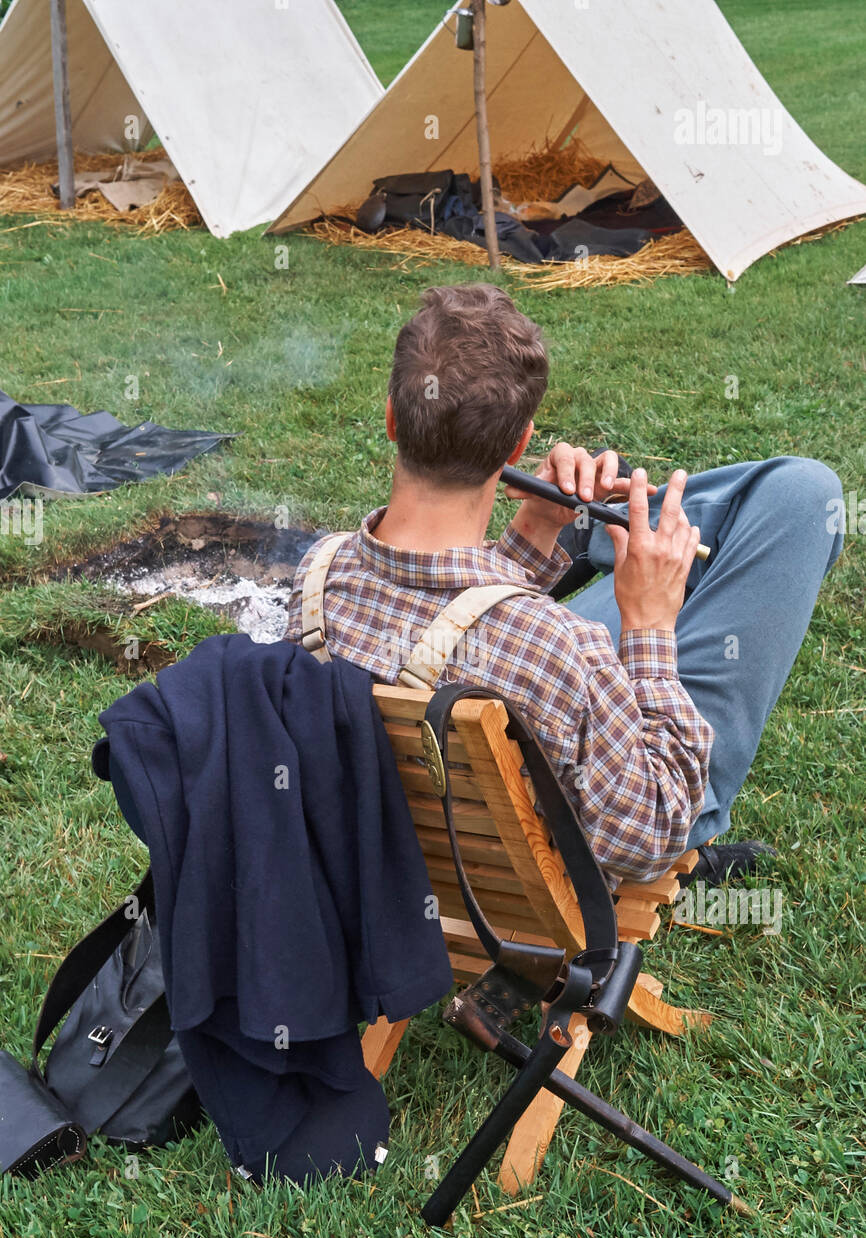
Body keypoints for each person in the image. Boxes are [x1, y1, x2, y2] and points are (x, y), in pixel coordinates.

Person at [285, 284, 843, 887]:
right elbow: (647, 838)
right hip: (536, 878)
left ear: (393, 416)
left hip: (412, 854)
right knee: (804, 499)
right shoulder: (564, 651)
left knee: (782, 500)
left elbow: (451, 631)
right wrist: (651, 625)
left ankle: (639, 542)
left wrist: (535, 531)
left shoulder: (319, 573)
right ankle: (655, 550)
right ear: (520, 445)